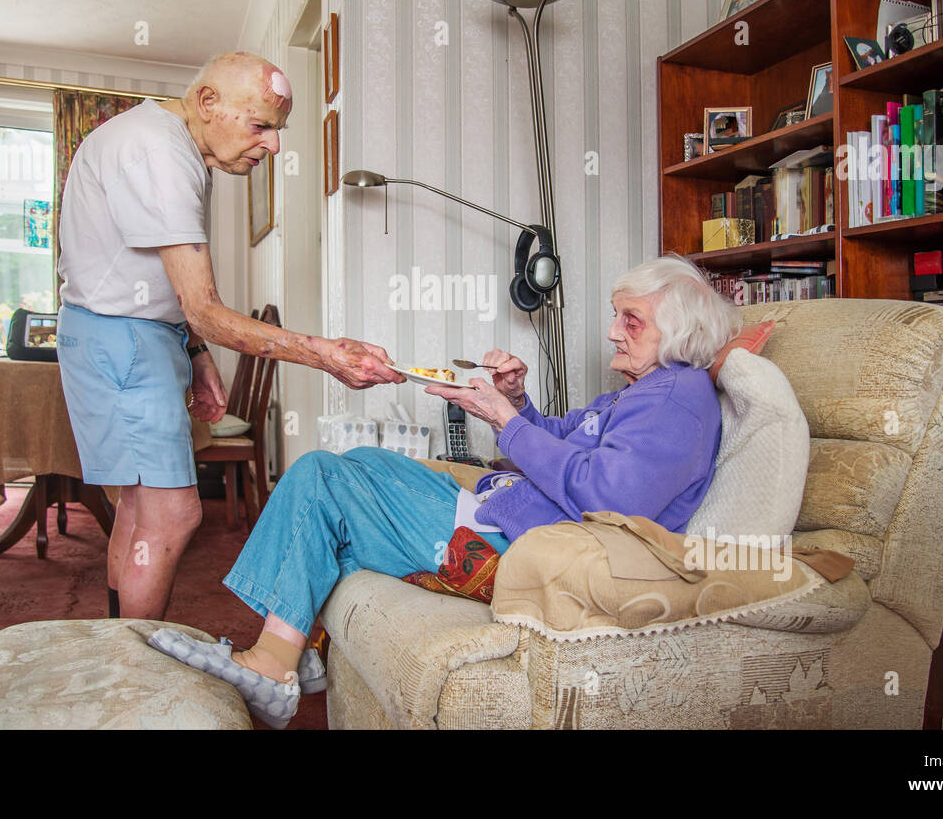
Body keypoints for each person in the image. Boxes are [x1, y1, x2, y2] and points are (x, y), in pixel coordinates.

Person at [148, 253, 741, 727]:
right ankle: (294, 644)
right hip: (507, 509)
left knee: (318, 477)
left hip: (518, 542)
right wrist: (510, 401)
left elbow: (611, 497)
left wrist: (505, 422)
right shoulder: (641, 393)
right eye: (616, 314)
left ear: (681, 329)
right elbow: (561, 437)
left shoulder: (675, 400)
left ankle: (274, 661)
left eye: (630, 319)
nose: (612, 331)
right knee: (360, 461)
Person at [55, 51, 403, 623]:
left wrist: (194, 354)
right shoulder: (160, 152)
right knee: (172, 516)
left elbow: (164, 291)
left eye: (278, 129)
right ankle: (137, 665)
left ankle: (119, 648)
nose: (273, 146)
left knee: (139, 511)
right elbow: (207, 310)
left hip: (129, 338)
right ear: (208, 102)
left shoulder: (169, 140)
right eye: (260, 125)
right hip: (125, 344)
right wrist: (325, 352)